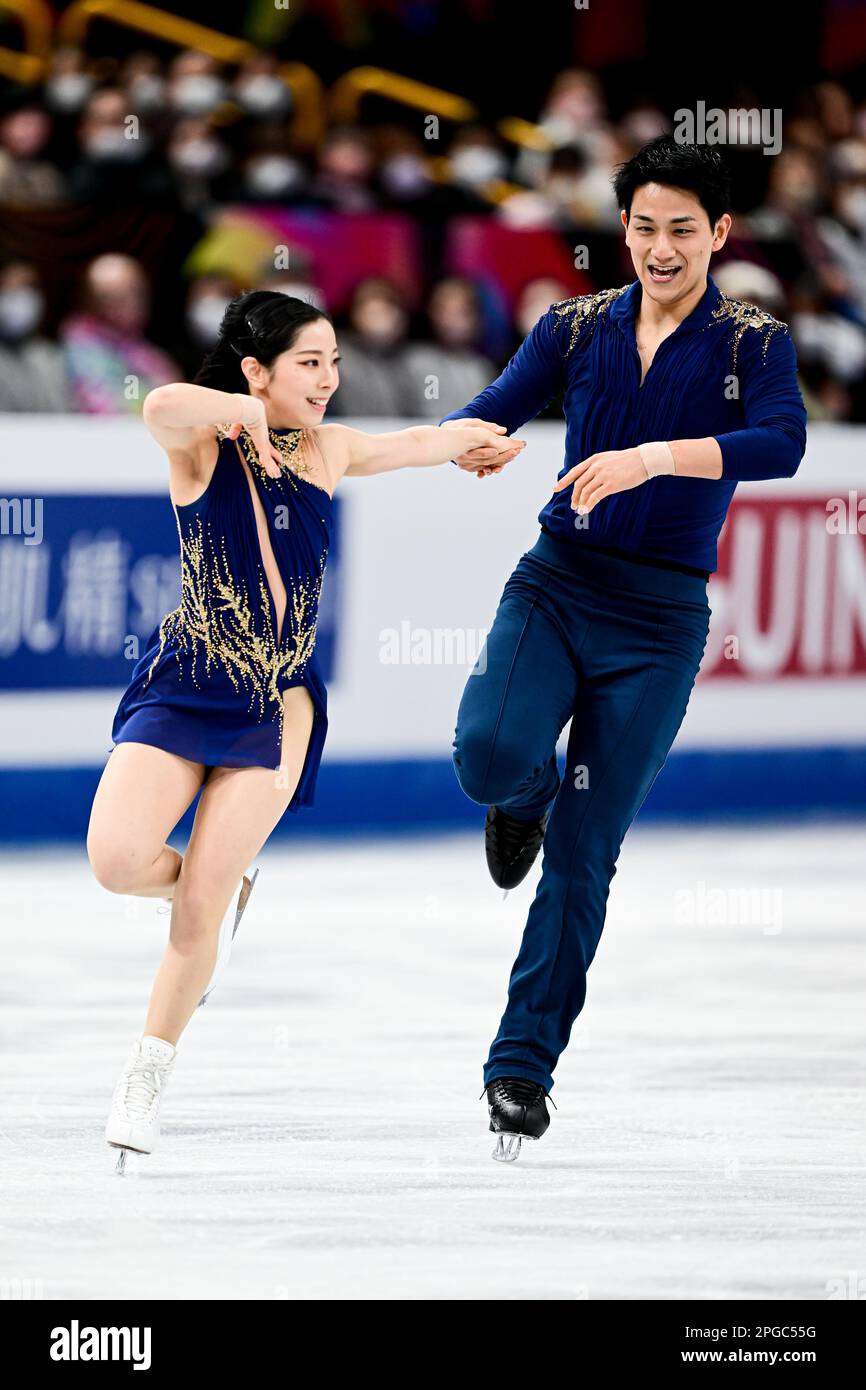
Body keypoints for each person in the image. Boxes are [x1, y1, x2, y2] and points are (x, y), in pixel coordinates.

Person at [86, 289, 519, 1171]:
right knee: (118, 862)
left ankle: (146, 1073)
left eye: (334, 363)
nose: (328, 380)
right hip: (186, 683)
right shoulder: (201, 445)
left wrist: (473, 442)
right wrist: (240, 411)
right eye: (308, 364)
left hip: (278, 701)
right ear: (258, 370)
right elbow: (162, 403)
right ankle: (214, 894)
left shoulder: (327, 450)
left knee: (199, 899)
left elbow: (418, 441)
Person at [440, 136, 808, 1162]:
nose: (658, 245)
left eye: (680, 229)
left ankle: (520, 1065)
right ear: (622, 230)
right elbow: (491, 404)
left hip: (656, 624)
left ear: (719, 234)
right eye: (642, 225)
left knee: (585, 848)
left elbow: (779, 443)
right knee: (487, 753)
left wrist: (650, 458)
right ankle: (519, 798)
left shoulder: (749, 340)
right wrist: (467, 438)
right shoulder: (574, 324)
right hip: (556, 586)